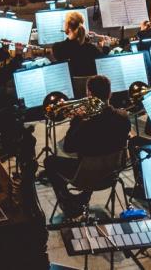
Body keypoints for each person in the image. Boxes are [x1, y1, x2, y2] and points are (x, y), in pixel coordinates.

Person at [45, 75, 131, 220]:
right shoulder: (123, 117)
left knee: (49, 161)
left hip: (85, 176)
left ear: (89, 93)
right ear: (110, 93)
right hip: (111, 175)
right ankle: (84, 197)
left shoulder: (85, 124)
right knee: (96, 154)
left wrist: (76, 121)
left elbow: (68, 147)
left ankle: (67, 203)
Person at [51, 11, 102, 77]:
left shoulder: (57, 48)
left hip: (70, 86)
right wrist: (106, 47)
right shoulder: (92, 49)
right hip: (89, 86)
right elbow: (103, 64)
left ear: (67, 27)